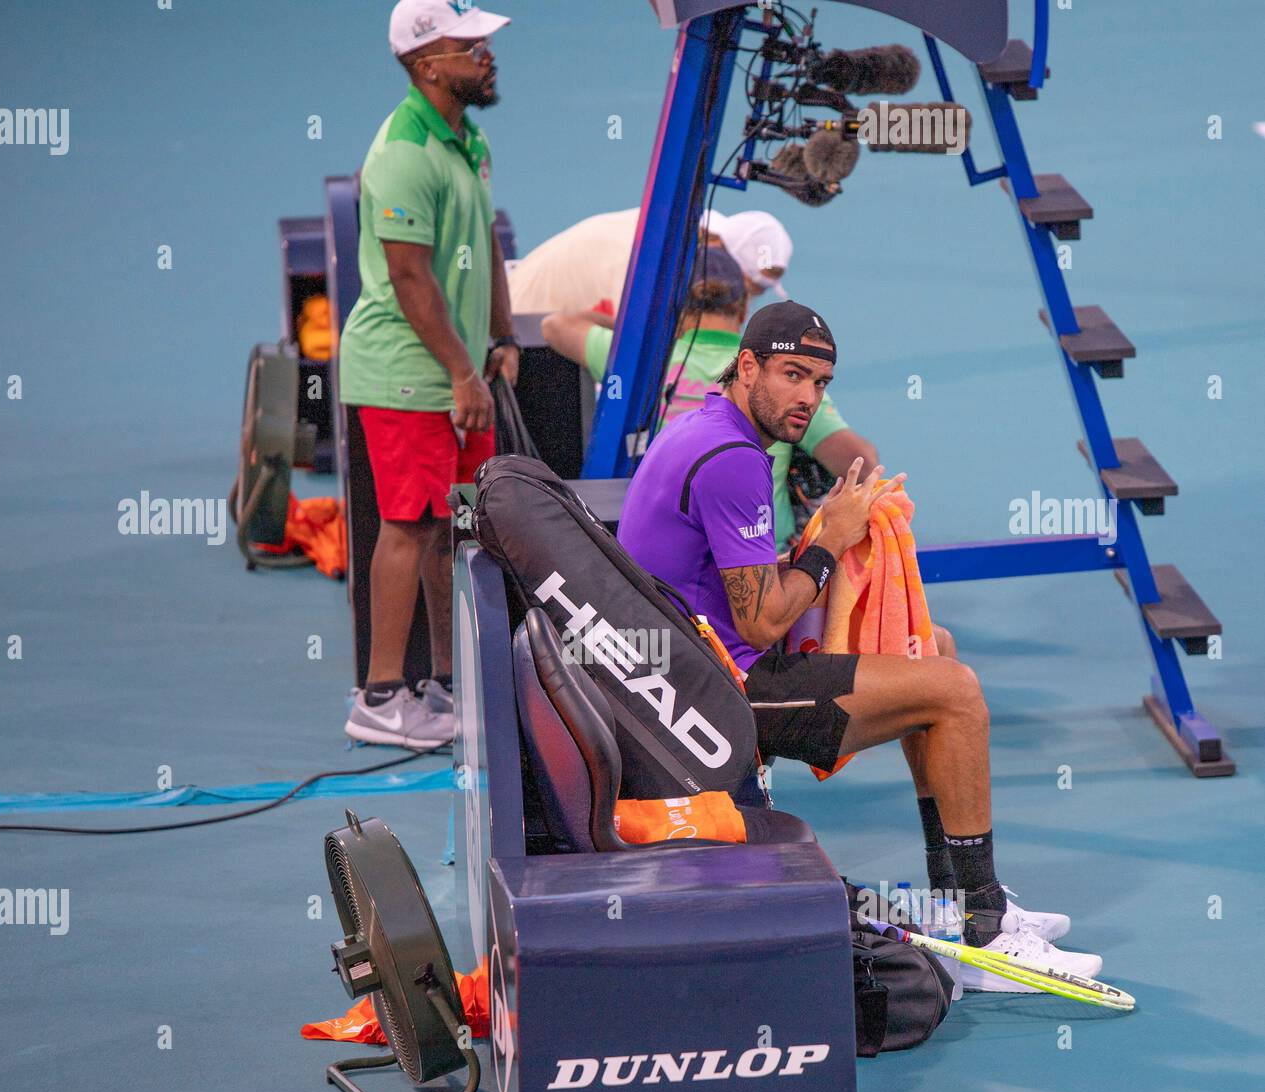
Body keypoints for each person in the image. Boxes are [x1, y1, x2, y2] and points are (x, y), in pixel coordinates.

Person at [616, 300, 1100, 991]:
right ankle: (989, 931)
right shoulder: (731, 459)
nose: (807, 398)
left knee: (930, 646)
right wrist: (828, 542)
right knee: (953, 692)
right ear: (747, 366)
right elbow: (758, 625)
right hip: (715, 696)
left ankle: (949, 900)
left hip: (691, 663)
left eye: (819, 383)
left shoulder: (706, 425)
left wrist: (819, 543)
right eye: (792, 375)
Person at [339, 0, 518, 750]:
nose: (486, 54)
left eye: (484, 42)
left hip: (455, 371)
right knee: (410, 524)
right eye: (468, 45)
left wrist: (502, 338)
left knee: (456, 528)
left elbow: (484, 238)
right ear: (426, 66)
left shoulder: (466, 139)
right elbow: (410, 280)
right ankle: (381, 697)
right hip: (407, 375)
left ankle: (449, 682)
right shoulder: (403, 153)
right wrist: (460, 373)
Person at [541, 242, 878, 550]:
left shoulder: (641, 358)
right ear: (744, 305)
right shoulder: (777, 372)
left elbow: (555, 325)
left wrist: (650, 327)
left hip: (674, 553)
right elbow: (860, 462)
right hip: (768, 555)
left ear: (676, 305)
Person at [508, 207, 793, 318]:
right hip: (516, 334)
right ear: (718, 247)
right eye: (739, 291)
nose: (738, 305)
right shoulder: (650, 261)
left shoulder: (679, 232)